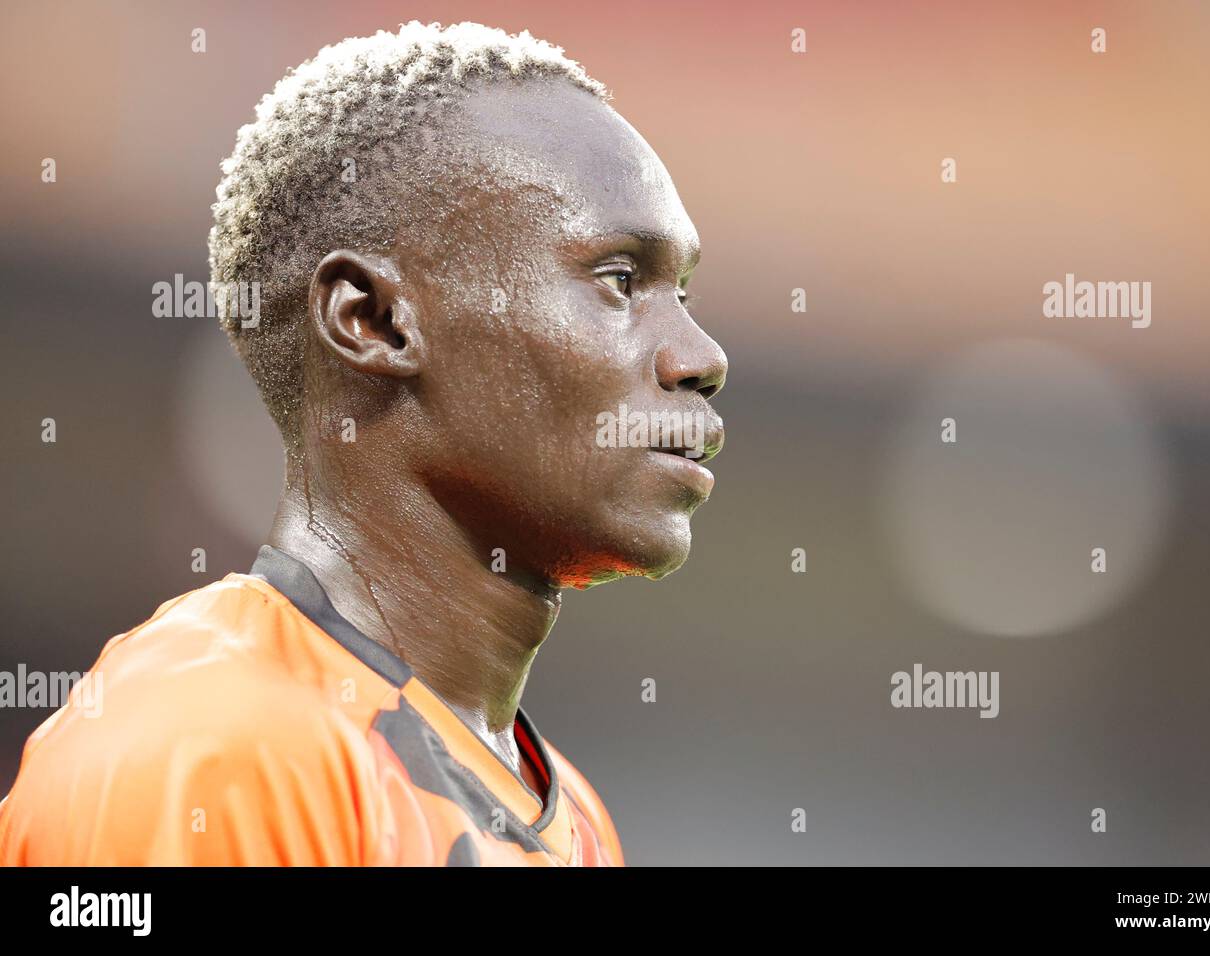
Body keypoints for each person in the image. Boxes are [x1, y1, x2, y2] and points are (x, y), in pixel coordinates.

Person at [0, 20, 725, 867]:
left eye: (685, 291)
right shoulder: (209, 745)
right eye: (620, 280)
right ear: (373, 321)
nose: (702, 358)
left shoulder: (576, 820)